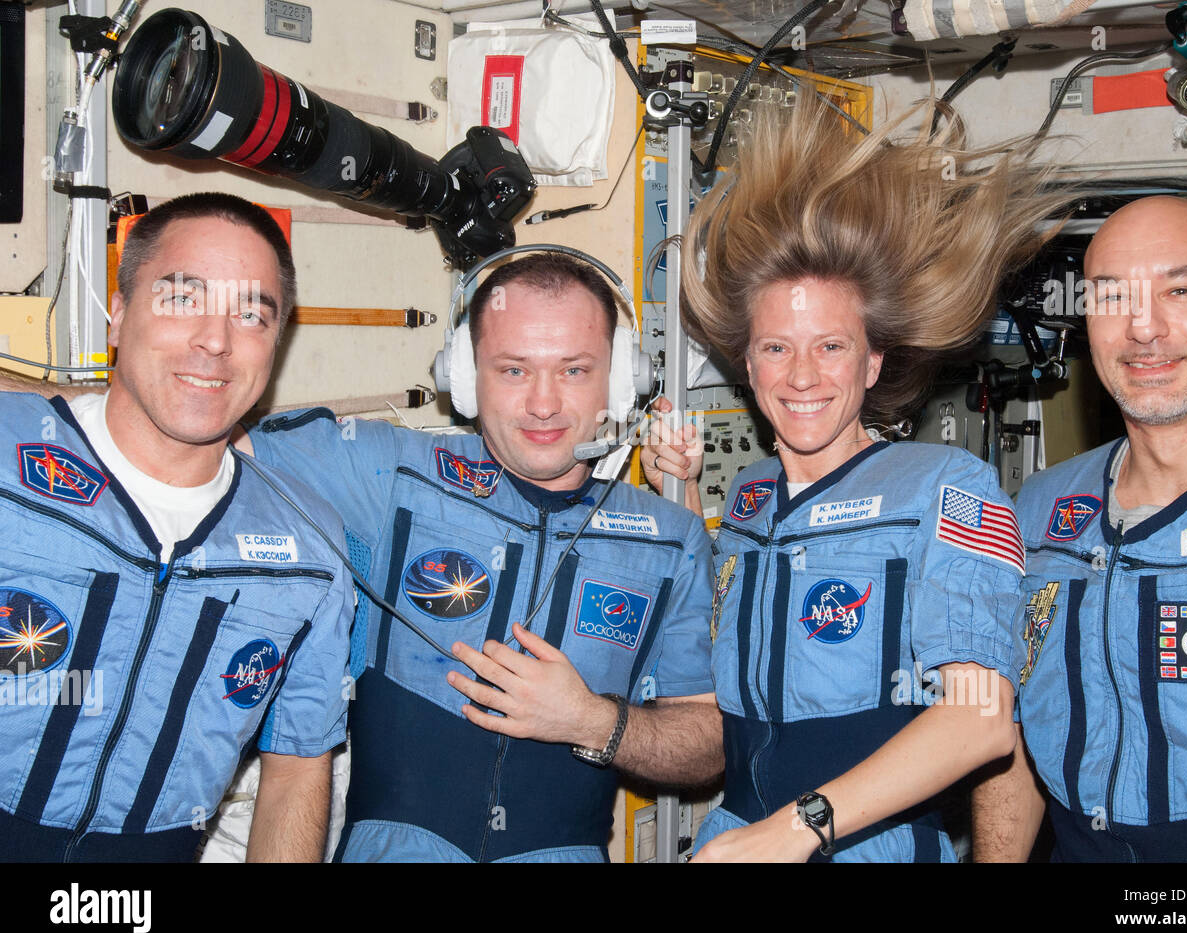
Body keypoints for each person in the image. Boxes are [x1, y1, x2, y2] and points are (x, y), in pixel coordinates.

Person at [640, 100, 1068, 861]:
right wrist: (676, 494)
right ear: (747, 365)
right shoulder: (747, 501)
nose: (802, 375)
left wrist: (796, 828)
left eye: (831, 345)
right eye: (776, 347)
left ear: (872, 363)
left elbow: (981, 719)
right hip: (734, 837)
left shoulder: (944, 486)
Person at [240, 251, 721, 862]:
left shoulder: (670, 537)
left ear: (621, 382)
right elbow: (201, 435)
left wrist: (591, 722)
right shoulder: (391, 474)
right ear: (464, 378)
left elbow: (708, 745)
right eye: (513, 370)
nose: (543, 405)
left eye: (574, 370)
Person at [0, 193, 352, 861]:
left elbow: (297, 769)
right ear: (119, 312)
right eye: (182, 297)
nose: (215, 340)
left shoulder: (311, 555)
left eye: (251, 314)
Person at [972, 195, 1187, 862]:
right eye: (1113, 296)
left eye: (1179, 289)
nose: (1144, 328)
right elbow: (1013, 730)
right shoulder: (1041, 510)